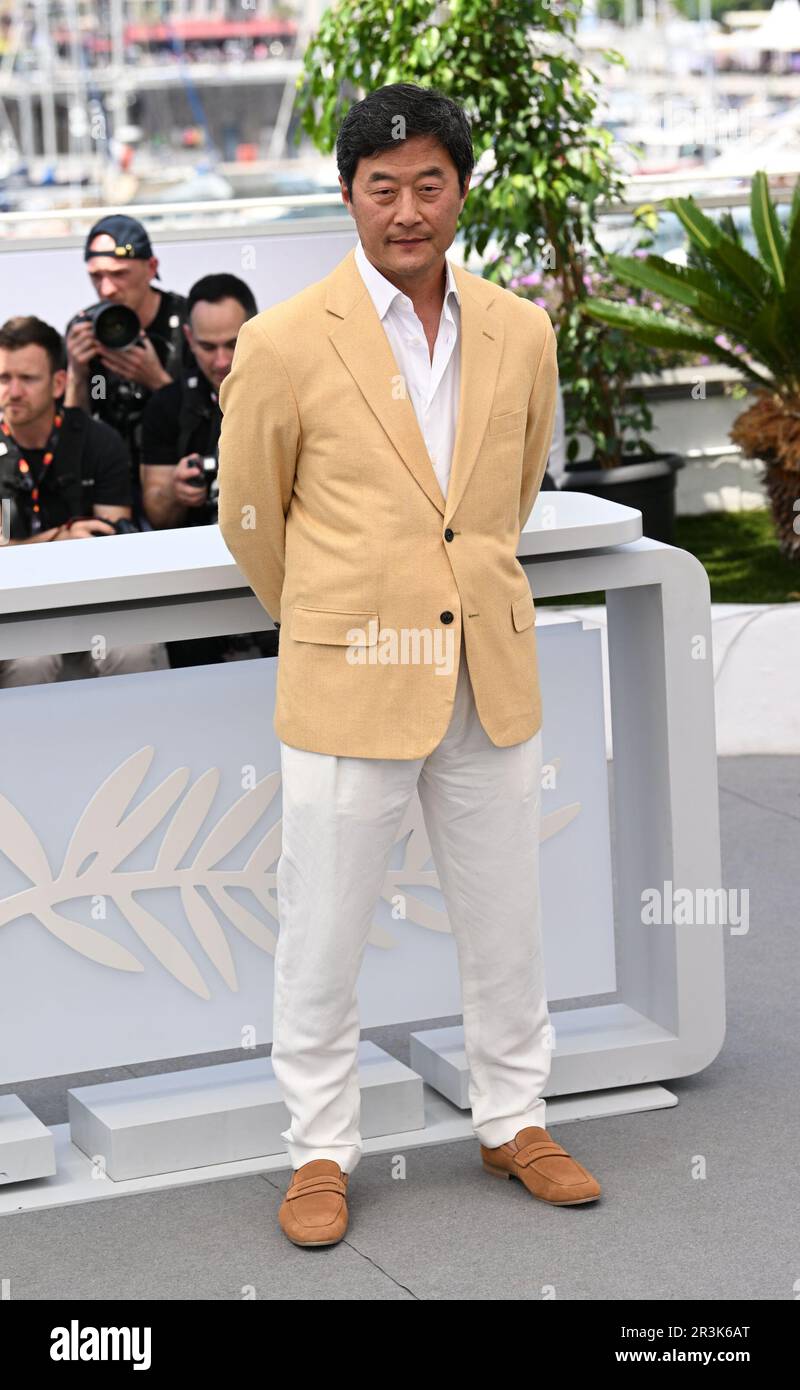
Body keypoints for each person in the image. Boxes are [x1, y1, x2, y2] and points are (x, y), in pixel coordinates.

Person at [217, 82, 601, 1248]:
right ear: (346, 195)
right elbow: (248, 514)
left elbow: (512, 493)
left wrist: (447, 602)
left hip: (485, 669)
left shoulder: (519, 330)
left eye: (428, 184)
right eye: (380, 188)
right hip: (345, 676)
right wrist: (332, 618)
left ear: (460, 191)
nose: (405, 209)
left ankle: (513, 1114)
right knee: (323, 928)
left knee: (505, 918)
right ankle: (319, 1148)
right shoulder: (285, 340)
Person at [0, 315, 168, 686]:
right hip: (12, 610)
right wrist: (58, 541)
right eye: (3, 378)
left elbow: (110, 544)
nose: (13, 392)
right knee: (30, 661)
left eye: (27, 379)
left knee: (133, 650)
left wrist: (23, 547)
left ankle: (137, 743)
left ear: (59, 382)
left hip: (94, 602)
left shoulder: (98, 440)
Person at [140, 273, 278, 666]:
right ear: (187, 337)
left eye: (232, 344)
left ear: (255, 328)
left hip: (277, 572)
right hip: (194, 585)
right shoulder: (167, 406)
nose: (220, 361)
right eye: (207, 346)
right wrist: (175, 491)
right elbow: (155, 510)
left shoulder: (285, 388)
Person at [64, 213, 189, 523]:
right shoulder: (86, 328)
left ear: (152, 268)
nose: (106, 289)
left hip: (175, 478)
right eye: (96, 276)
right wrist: (78, 376)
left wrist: (158, 382)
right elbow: (73, 435)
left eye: (119, 274)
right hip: (108, 485)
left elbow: (211, 421)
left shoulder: (186, 325)